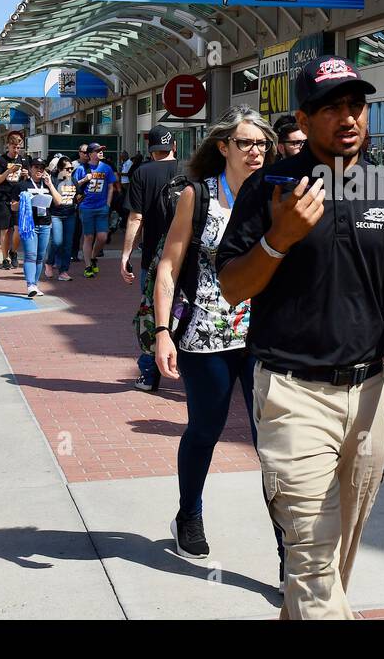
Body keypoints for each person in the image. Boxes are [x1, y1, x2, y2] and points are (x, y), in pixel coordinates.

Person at [216, 55, 384, 618]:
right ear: (304, 116)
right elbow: (231, 287)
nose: (349, 118)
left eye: (356, 106)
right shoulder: (270, 188)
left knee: (335, 559)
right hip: (292, 394)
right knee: (312, 562)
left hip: (371, 392)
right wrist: (280, 238)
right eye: (333, 109)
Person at [152, 107, 275, 559]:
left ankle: (288, 549)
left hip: (266, 335)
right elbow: (169, 264)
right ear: (223, 147)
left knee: (273, 442)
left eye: (262, 143)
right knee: (206, 428)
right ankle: (189, 514)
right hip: (207, 334)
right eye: (246, 143)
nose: (256, 151)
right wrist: (162, 330)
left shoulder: (276, 193)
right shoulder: (198, 195)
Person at [122, 125, 183, 391]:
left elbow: (136, 217)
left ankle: (149, 375)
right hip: (187, 257)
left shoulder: (142, 173)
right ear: (174, 147)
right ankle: (187, 370)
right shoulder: (188, 171)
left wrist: (126, 254)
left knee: (152, 313)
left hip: (154, 259)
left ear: (151, 150)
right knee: (186, 312)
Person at [74, 142, 116, 277]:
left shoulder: (107, 168)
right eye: (98, 151)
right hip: (86, 207)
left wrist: (108, 204)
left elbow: (110, 187)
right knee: (88, 237)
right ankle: (88, 266)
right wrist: (84, 180)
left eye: (102, 150)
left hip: (102, 207)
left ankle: (93, 257)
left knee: (102, 237)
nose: (101, 153)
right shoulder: (81, 168)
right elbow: (73, 186)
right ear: (90, 154)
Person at [18, 157, 59, 298]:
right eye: (36, 167)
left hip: (45, 224)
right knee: (30, 255)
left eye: (42, 167)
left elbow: (59, 201)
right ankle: (30, 285)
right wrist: (25, 200)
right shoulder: (22, 185)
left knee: (40, 257)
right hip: (29, 225)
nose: (39, 170)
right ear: (30, 169)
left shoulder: (47, 184)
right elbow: (12, 206)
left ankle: (35, 284)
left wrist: (51, 185)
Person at [0, 131, 26, 270]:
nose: (16, 150)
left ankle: (14, 252)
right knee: (5, 230)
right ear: (8, 146)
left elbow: (26, 181)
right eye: (14, 147)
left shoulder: (23, 160)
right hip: (3, 198)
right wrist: (8, 171)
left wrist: (25, 175)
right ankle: (5, 258)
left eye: (18, 147)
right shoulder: (1, 161)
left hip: (17, 198)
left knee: (18, 229)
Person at [45, 157, 79, 282]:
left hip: (70, 214)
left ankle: (63, 271)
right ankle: (49, 262)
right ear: (60, 169)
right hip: (56, 215)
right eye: (67, 169)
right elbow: (53, 200)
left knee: (68, 244)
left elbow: (79, 195)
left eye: (71, 168)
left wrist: (77, 202)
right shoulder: (53, 180)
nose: (70, 171)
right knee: (57, 241)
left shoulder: (73, 180)